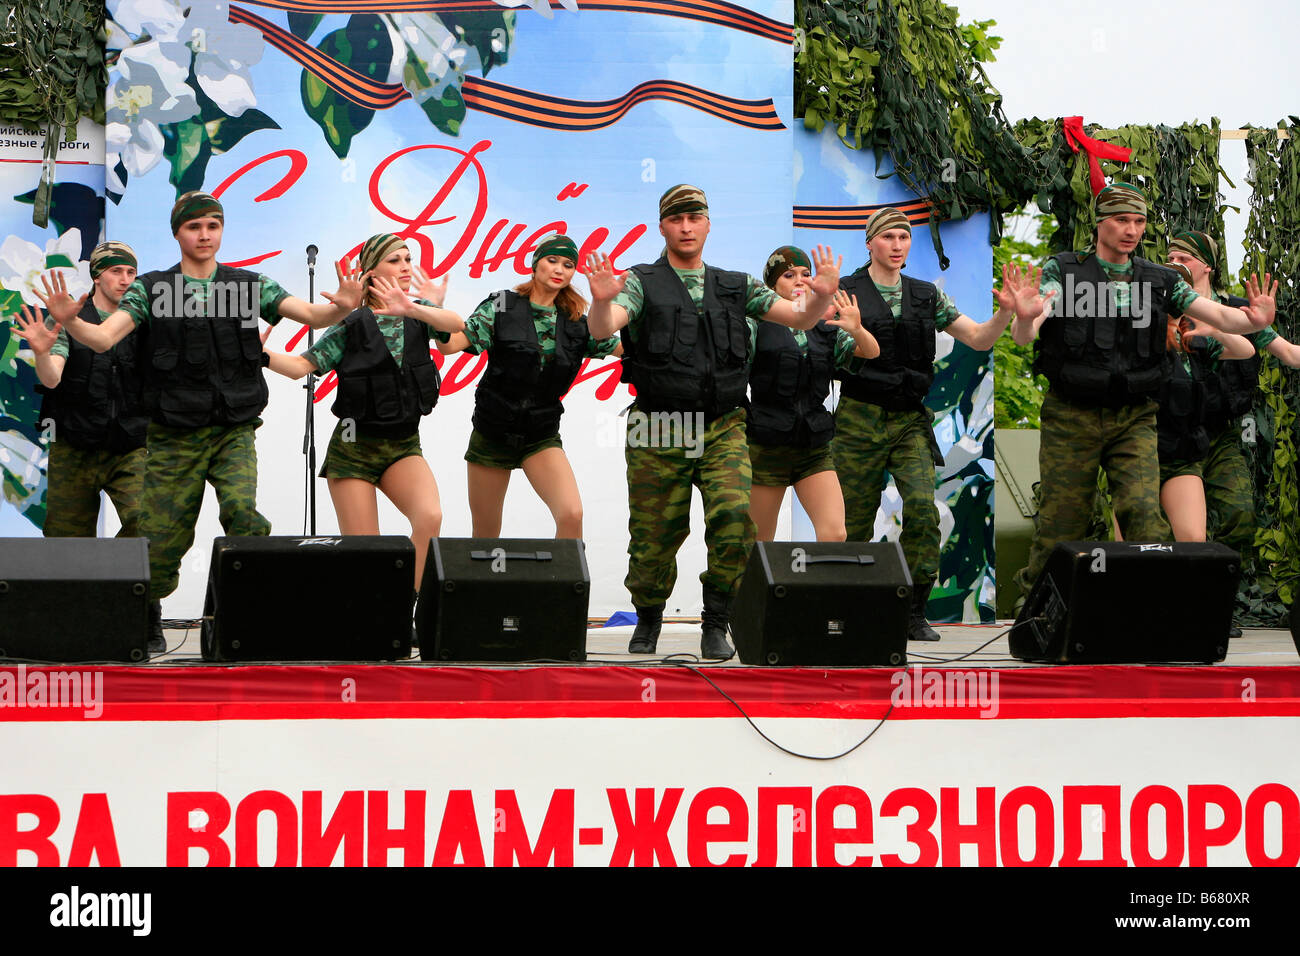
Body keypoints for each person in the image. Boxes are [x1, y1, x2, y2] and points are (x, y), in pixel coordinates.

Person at [36, 190, 367, 646]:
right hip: (172, 436)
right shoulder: (152, 288)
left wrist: (344, 306)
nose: (205, 234)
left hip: (233, 430)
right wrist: (69, 322)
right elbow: (101, 339)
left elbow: (312, 314)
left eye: (213, 225)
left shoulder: (249, 284)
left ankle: (246, 616)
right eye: (194, 226)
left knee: (243, 514)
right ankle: (144, 615)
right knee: (161, 540)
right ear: (178, 233)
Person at [585, 184, 841, 659]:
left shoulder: (736, 284)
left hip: (723, 424)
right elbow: (603, 328)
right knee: (655, 537)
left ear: (707, 224)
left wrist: (820, 295)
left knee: (733, 520)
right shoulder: (641, 280)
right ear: (662, 226)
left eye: (694, 218)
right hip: (659, 425)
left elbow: (799, 319)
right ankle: (648, 617)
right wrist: (601, 302)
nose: (686, 227)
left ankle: (716, 620)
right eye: (676, 219)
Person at [1007, 183, 1276, 601]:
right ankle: (1037, 609)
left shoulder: (1161, 280)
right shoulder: (1065, 270)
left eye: (1138, 221)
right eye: (1121, 220)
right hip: (1072, 415)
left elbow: (1220, 315)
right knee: (1062, 524)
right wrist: (1024, 318)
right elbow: (1027, 332)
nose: (1131, 229)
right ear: (1100, 224)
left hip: (1134, 416)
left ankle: (1152, 612)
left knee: (1146, 520)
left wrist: (1254, 321)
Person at [833, 207, 1020, 642]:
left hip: (909, 419)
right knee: (853, 522)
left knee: (922, 510)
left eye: (904, 237)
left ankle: (914, 609)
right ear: (870, 243)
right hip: (859, 417)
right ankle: (846, 607)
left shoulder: (925, 295)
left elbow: (977, 338)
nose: (898, 245)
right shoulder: (847, 292)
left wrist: (1005, 313)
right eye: (888, 237)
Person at [264, 233, 463, 590]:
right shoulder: (352, 325)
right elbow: (300, 366)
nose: (405, 266)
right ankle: (375, 621)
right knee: (368, 552)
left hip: (402, 446)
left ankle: (407, 608)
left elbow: (455, 325)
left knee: (430, 516)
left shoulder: (420, 314)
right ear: (370, 272)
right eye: (395, 260)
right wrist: (259, 355)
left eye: (408, 259)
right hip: (353, 452)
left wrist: (416, 306)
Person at [437, 234, 620, 539]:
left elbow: (626, 349)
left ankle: (563, 586)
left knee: (571, 513)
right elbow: (453, 344)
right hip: (492, 432)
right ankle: (484, 586)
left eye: (568, 264)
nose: (559, 269)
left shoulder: (577, 321)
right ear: (536, 264)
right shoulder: (503, 303)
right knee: (485, 532)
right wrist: (437, 317)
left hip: (540, 435)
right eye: (551, 260)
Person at [1167, 230, 1298, 559]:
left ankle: (1222, 587)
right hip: (1172, 434)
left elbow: (1290, 354)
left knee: (1239, 516)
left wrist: (1222, 326)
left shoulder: (1238, 312)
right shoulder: (1163, 310)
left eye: (1184, 259)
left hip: (1222, 432)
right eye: (1170, 259)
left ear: (1207, 265)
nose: (1174, 264)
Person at [747, 245, 880, 542]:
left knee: (835, 534)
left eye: (805, 274)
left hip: (813, 447)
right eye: (788, 275)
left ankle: (820, 589)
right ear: (771, 285)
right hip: (768, 446)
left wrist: (857, 329)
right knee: (758, 545)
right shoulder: (754, 323)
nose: (798, 280)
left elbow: (870, 351)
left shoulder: (824, 325)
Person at [15, 241, 146, 540]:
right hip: (74, 446)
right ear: (97, 276)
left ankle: (114, 578)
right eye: (116, 271)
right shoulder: (67, 317)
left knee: (150, 521)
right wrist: (42, 354)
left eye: (131, 272)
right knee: (66, 548)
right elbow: (51, 379)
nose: (125, 280)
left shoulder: (143, 321)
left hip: (129, 447)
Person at [1152, 259, 1255, 542]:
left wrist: (1216, 329)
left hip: (1184, 449)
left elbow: (1245, 349)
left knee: (1193, 542)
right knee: (1139, 541)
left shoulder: (1191, 334)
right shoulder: (1138, 333)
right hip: (1142, 447)